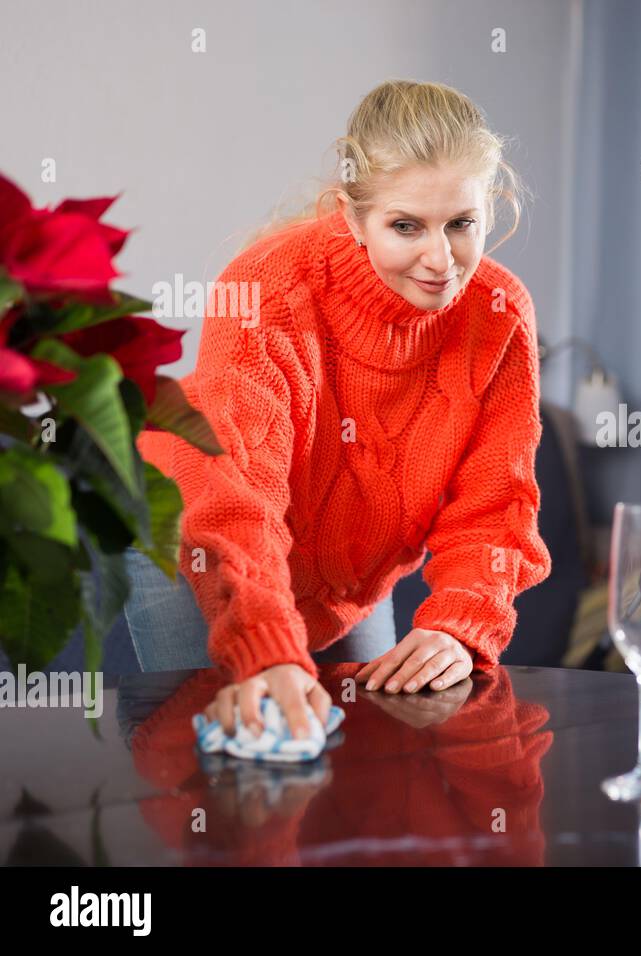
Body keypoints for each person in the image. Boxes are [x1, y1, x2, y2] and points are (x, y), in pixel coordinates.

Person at [123, 79, 551, 741]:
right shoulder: (266, 286)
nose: (441, 260)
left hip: (348, 577)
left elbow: (495, 506)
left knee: (369, 764)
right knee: (224, 765)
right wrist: (265, 643)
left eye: (461, 224)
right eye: (405, 225)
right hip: (197, 538)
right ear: (352, 217)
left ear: (489, 208)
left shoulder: (500, 316)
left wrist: (459, 624)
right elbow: (238, 495)